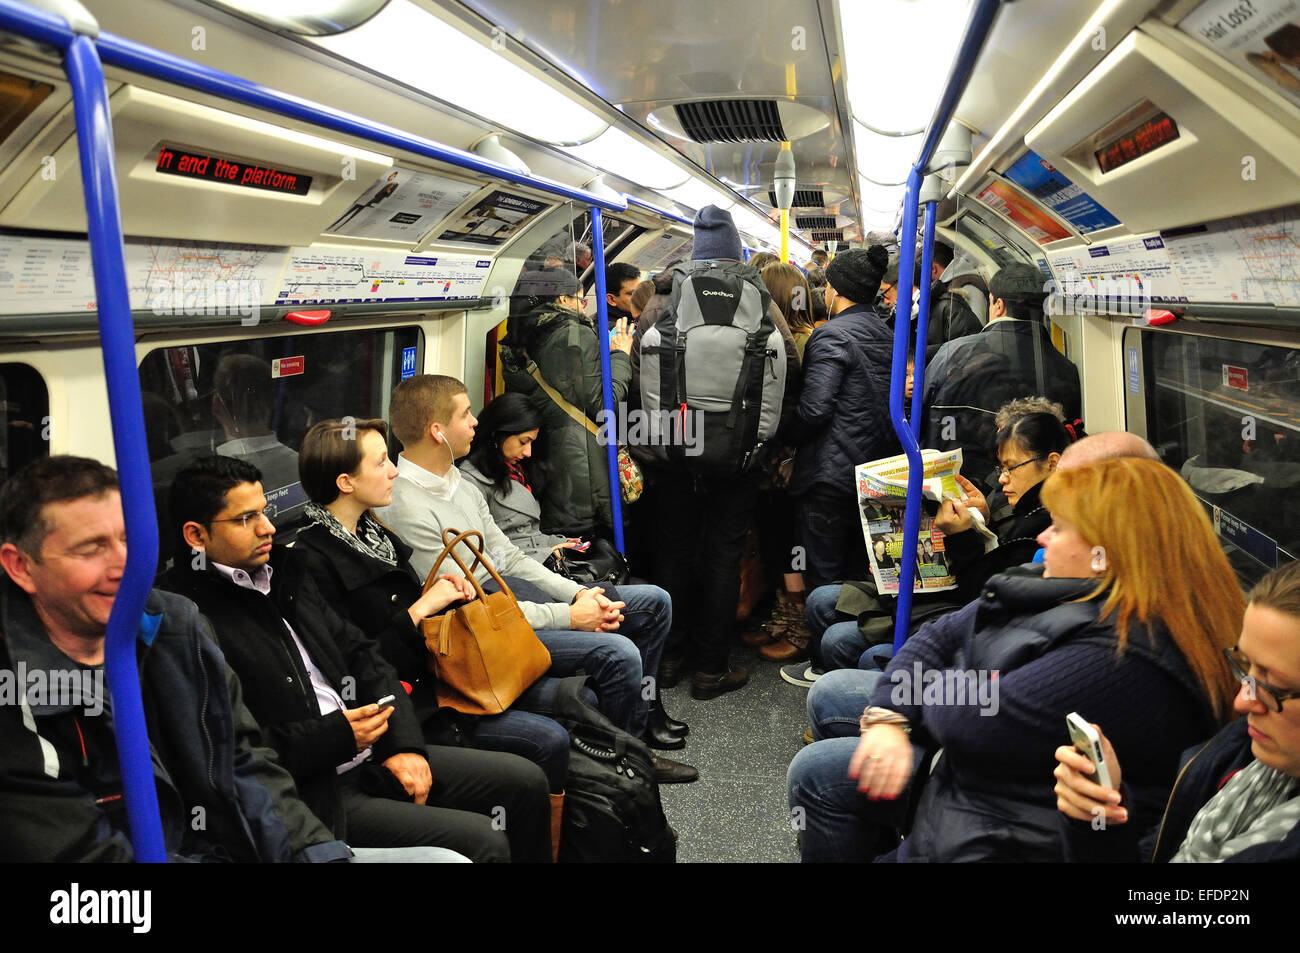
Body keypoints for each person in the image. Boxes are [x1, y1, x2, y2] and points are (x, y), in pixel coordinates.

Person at [0, 455, 463, 863]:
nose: (124, 566)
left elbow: (244, 764)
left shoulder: (175, 626)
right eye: (91, 549)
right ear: (21, 567)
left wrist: (313, 854)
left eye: (128, 540)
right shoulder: (20, 693)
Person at [788, 456, 1244, 862]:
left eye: (1061, 527)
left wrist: (951, 678)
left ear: (1107, 555)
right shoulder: (1052, 580)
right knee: (834, 730)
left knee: (819, 773)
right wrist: (892, 717)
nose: (1044, 535)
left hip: (1003, 822)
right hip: (982, 790)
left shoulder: (1123, 655)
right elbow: (938, 635)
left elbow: (970, 716)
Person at [159, 455, 553, 862]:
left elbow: (363, 655)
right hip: (315, 789)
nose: (268, 528)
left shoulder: (284, 573)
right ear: (196, 535)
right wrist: (337, 737)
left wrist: (403, 745)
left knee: (524, 782)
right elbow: (233, 753)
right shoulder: (188, 622)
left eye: (265, 512)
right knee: (483, 840)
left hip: (373, 749)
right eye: (245, 519)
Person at [376, 375, 696, 781]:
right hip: (481, 629)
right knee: (618, 652)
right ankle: (627, 769)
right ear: (437, 431)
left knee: (653, 602)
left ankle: (642, 720)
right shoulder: (408, 508)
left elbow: (507, 557)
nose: (476, 422)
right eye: (466, 414)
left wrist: (580, 593)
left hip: (508, 600)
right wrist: (569, 617)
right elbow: (471, 606)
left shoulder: (456, 483)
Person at [291, 417, 577, 857]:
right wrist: (422, 608)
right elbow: (356, 662)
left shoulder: (375, 533)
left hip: (438, 677)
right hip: (414, 707)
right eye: (382, 462)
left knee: (575, 697)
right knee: (545, 742)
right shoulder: (313, 561)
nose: (393, 471)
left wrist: (441, 599)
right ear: (346, 482)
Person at [629, 206, 802, 699]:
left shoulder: (662, 299)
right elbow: (790, 370)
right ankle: (711, 668)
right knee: (724, 556)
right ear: (737, 251)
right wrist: (763, 442)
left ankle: (666, 662)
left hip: (672, 452)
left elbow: (641, 376)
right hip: (740, 456)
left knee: (674, 552)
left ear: (694, 251)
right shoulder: (760, 301)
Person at [1055, 559, 1300, 863]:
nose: (1241, 701)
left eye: (1274, 686)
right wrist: (1097, 816)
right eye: (1245, 667)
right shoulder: (1240, 753)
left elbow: (982, 727)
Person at [783, 245, 899, 593]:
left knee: (824, 575)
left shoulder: (831, 334)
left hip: (830, 476)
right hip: (875, 472)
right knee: (859, 574)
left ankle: (822, 642)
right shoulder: (889, 334)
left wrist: (785, 436)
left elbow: (815, 409)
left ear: (835, 290)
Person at [923, 262, 1082, 493]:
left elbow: (922, 414)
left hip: (954, 489)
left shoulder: (952, 353)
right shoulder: (1065, 369)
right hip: (1030, 494)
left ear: (997, 305)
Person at [500, 267, 633, 539]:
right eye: (581, 301)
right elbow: (601, 402)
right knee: (590, 538)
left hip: (547, 447)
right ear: (563, 299)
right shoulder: (573, 334)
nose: (583, 309)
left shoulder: (523, 332)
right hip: (580, 455)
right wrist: (619, 356)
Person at [605, 261, 642, 330]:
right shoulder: (612, 330)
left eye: (640, 291)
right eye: (633, 294)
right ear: (611, 299)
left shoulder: (636, 318)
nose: (640, 297)